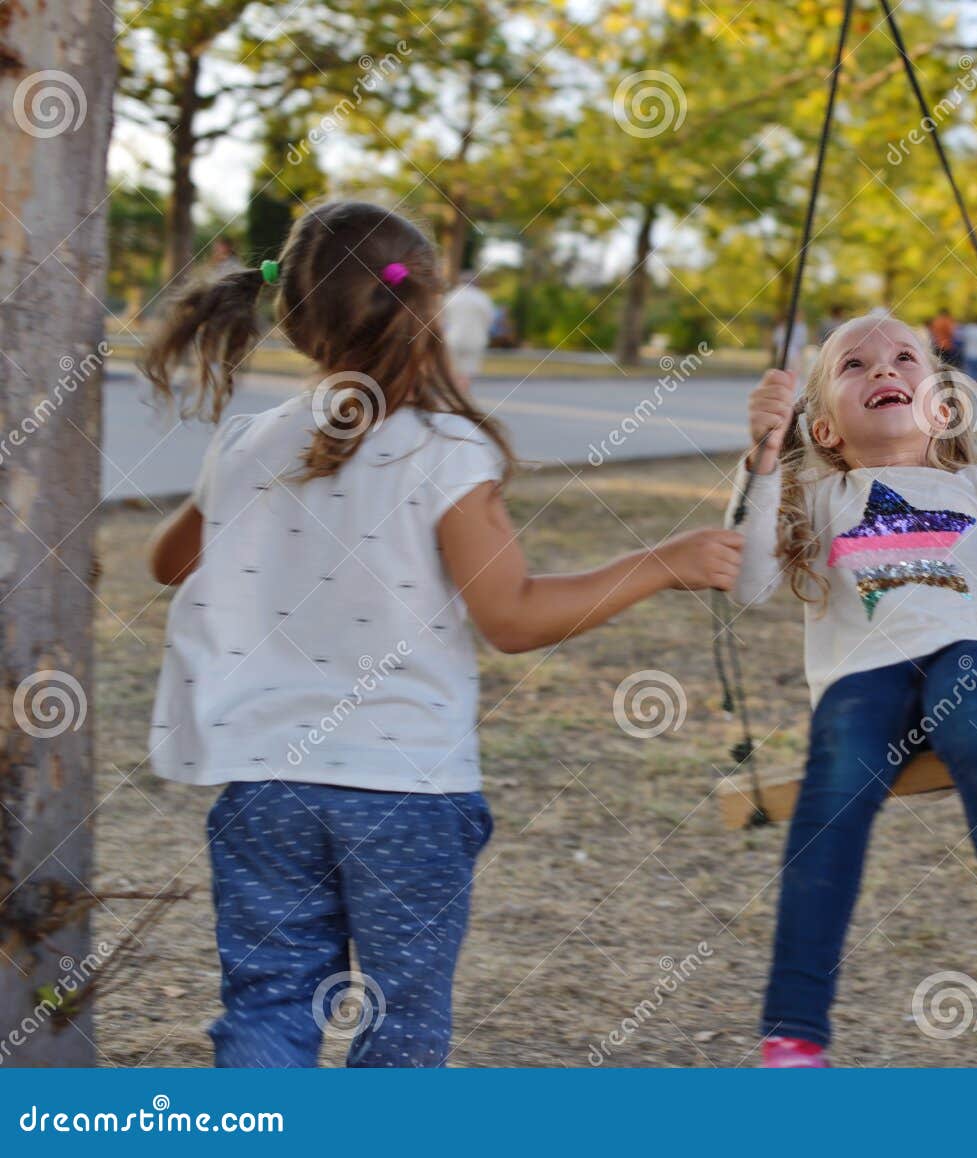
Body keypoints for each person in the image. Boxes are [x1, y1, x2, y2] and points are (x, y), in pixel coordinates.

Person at [138, 199, 743, 1068]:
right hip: (405, 788)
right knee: (402, 1021)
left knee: (268, 1004)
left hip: (263, 785)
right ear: (425, 305)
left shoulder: (248, 441)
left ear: (293, 318)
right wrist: (659, 563)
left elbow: (166, 562)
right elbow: (512, 616)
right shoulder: (445, 449)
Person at [727, 309, 977, 1068]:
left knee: (963, 706)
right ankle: (793, 1037)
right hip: (862, 683)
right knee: (834, 782)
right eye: (855, 366)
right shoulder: (814, 492)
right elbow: (748, 584)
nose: (884, 371)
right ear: (826, 427)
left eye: (904, 358)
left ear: (943, 403)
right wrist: (761, 463)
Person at [440, 270, 496, 387]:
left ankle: (454, 394)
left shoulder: (452, 296)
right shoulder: (483, 298)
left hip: (453, 337)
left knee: (453, 369)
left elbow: (442, 319)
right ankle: (462, 393)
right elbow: (490, 319)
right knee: (467, 371)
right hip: (476, 339)